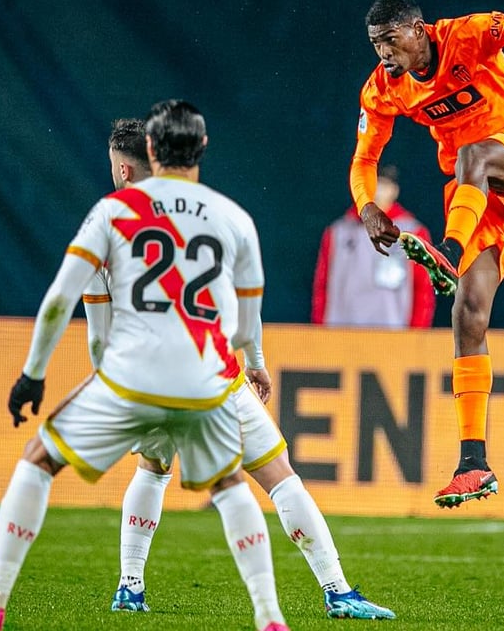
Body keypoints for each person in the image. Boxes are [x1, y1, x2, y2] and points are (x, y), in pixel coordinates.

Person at [0, 101, 290, 631]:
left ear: (149, 150)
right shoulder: (234, 218)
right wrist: (252, 363)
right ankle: (270, 619)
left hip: (131, 374)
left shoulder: (113, 212)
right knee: (230, 485)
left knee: (38, 460)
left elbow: (60, 298)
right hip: (204, 376)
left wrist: (33, 372)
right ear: (203, 148)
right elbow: (245, 322)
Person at [93, 119, 395, 619]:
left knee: (152, 468)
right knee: (280, 478)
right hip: (211, 373)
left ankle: (130, 586)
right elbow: (237, 305)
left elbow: (99, 330)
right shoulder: (205, 217)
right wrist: (256, 362)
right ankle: (338, 591)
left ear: (124, 170)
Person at [349, 0, 504, 508]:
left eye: (391, 39)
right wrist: (368, 206)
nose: (383, 52)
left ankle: (446, 253)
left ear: (418, 30)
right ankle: (475, 463)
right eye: (376, 43)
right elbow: (365, 159)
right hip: (477, 192)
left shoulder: (467, 35)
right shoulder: (383, 89)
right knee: (468, 313)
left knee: (473, 153)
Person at [312, 164, 435, 328]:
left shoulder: (413, 233)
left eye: (383, 185)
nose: (377, 190)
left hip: (393, 335)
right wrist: (320, 330)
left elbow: (423, 288)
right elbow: (322, 285)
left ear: (394, 190)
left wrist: (416, 336)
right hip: (340, 333)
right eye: (371, 183)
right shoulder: (338, 232)